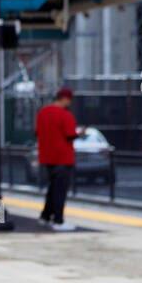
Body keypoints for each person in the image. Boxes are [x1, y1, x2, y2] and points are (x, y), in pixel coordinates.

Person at [35, 87, 83, 231]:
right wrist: (80, 134)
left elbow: (37, 132)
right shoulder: (65, 115)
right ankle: (58, 220)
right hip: (63, 158)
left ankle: (45, 216)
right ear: (65, 99)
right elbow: (70, 135)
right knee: (60, 189)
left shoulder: (42, 112)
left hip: (46, 156)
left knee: (53, 188)